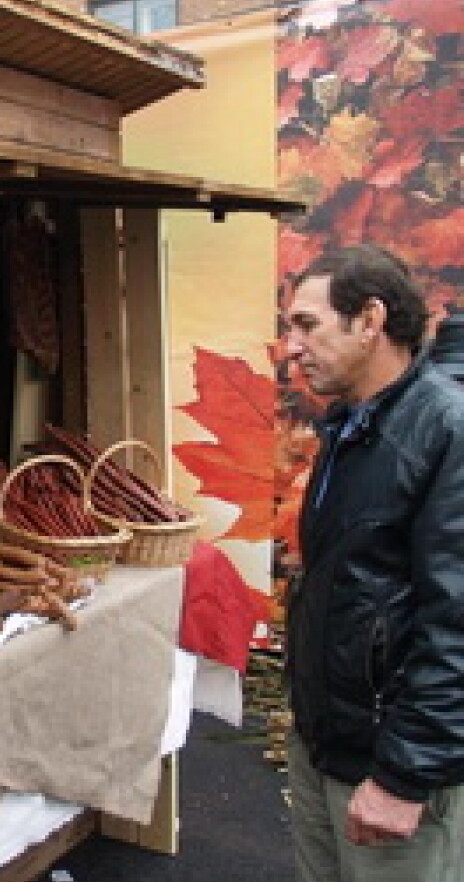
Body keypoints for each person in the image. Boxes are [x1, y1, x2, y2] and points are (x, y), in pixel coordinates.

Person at [282, 243, 464, 882]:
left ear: (369, 320)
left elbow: (457, 624)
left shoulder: (447, 431)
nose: (292, 347)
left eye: (307, 325)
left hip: (390, 767)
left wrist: (404, 775)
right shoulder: (352, 426)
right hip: (328, 746)